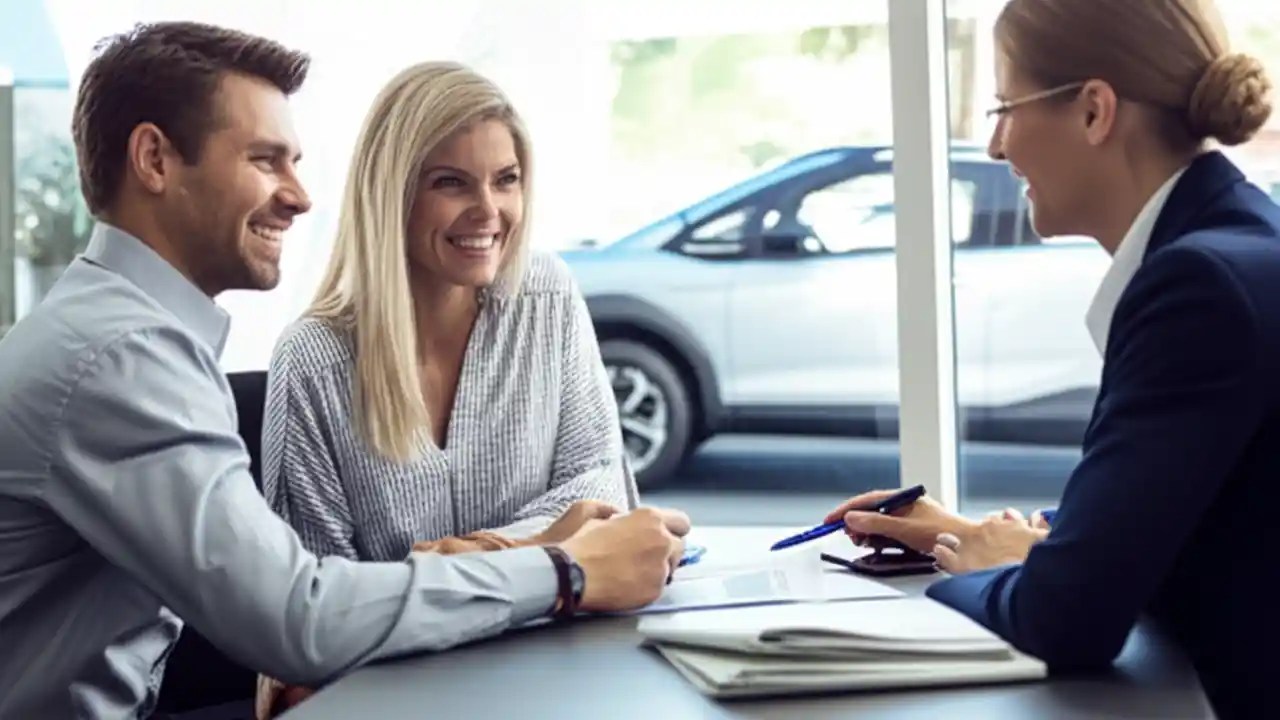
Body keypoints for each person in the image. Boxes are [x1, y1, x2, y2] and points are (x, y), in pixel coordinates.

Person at [0, 22, 687, 719]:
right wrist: (565, 568)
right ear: (154, 160)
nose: (300, 197)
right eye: (267, 161)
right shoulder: (119, 358)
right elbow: (302, 621)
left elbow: (297, 611)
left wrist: (484, 554)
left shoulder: (131, 336)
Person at [827, 0, 1278, 717]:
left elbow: (1064, 620)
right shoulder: (1240, 245)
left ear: (1095, 111)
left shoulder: (1200, 289)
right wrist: (984, 535)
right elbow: (1200, 512)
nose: (999, 147)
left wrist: (1005, 569)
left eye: (1005, 107)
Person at [260, 61, 637, 565]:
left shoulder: (547, 296)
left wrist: (474, 552)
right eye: (451, 183)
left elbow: (601, 490)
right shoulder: (314, 361)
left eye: (506, 180)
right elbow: (316, 593)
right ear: (392, 195)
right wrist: (543, 543)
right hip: (400, 648)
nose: (488, 210)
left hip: (557, 635)